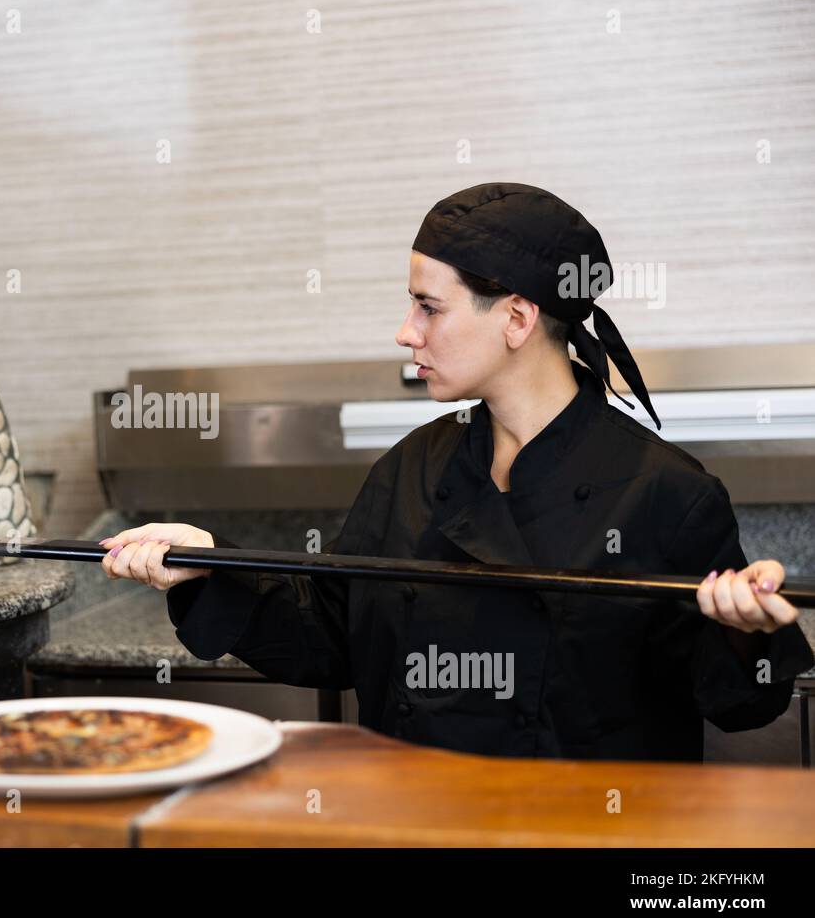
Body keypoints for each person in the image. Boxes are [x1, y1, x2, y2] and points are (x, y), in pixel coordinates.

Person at [98, 182, 814, 763]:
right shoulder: (413, 467)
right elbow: (331, 634)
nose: (406, 330)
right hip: (418, 830)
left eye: (428, 306)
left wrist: (742, 633)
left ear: (516, 318)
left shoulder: (666, 494)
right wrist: (208, 567)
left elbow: (744, 702)